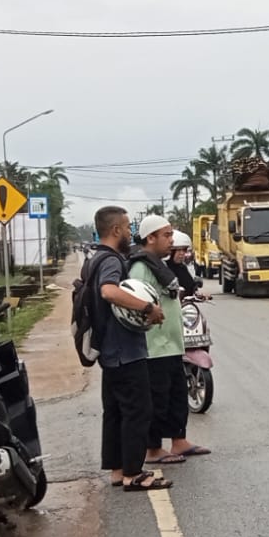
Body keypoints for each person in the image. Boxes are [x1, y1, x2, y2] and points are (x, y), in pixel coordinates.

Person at [89, 206, 172, 492]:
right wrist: (149, 307)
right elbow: (108, 291)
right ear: (115, 230)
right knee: (138, 410)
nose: (129, 232)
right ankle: (134, 473)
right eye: (126, 227)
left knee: (115, 412)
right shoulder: (111, 260)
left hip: (109, 351)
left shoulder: (93, 258)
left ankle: (118, 469)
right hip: (125, 350)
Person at [128, 215, 211, 466]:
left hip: (172, 343)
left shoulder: (159, 264)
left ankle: (179, 440)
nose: (171, 240)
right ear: (150, 238)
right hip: (155, 346)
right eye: (166, 235)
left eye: (171, 235)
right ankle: (153, 449)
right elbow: (138, 303)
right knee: (157, 400)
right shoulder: (141, 268)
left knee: (177, 395)